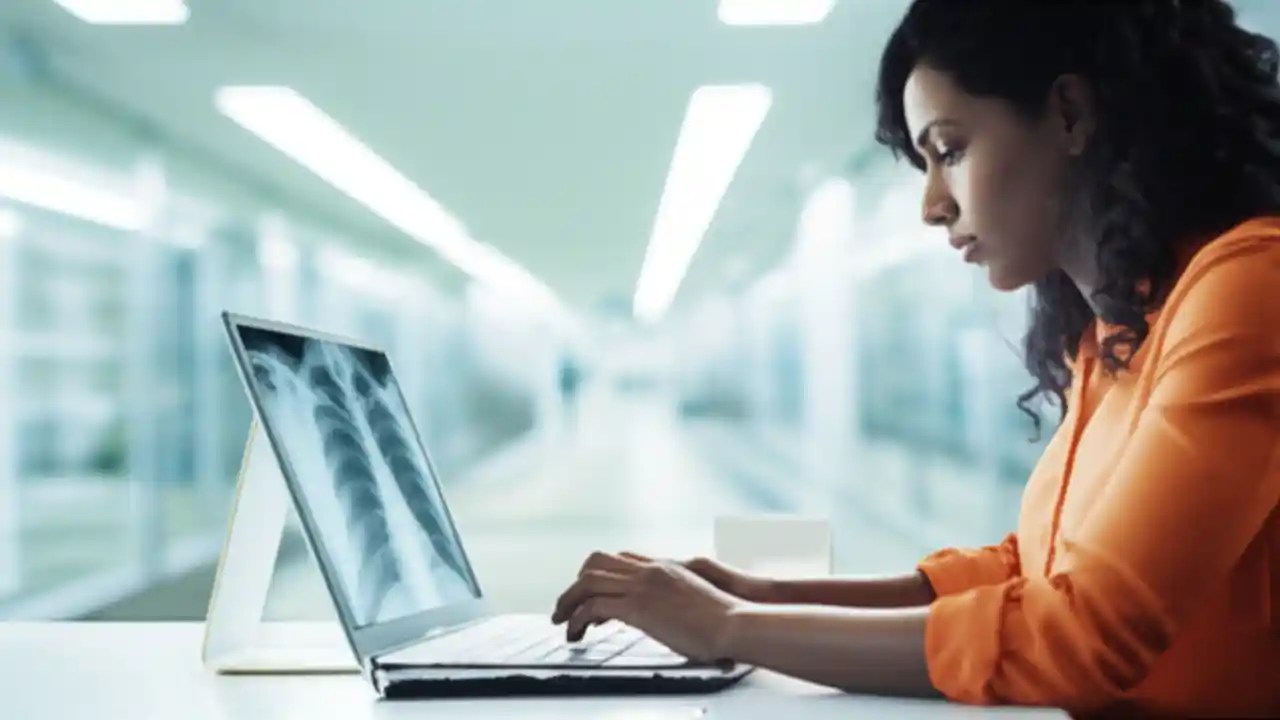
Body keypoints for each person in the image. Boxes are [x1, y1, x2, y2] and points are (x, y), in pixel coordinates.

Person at [550, 1, 1280, 716]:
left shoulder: (1251, 289)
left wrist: (728, 629)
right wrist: (760, 595)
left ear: (1068, 115)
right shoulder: (1110, 339)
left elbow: (1086, 632)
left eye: (950, 151)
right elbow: (1033, 569)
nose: (933, 204)